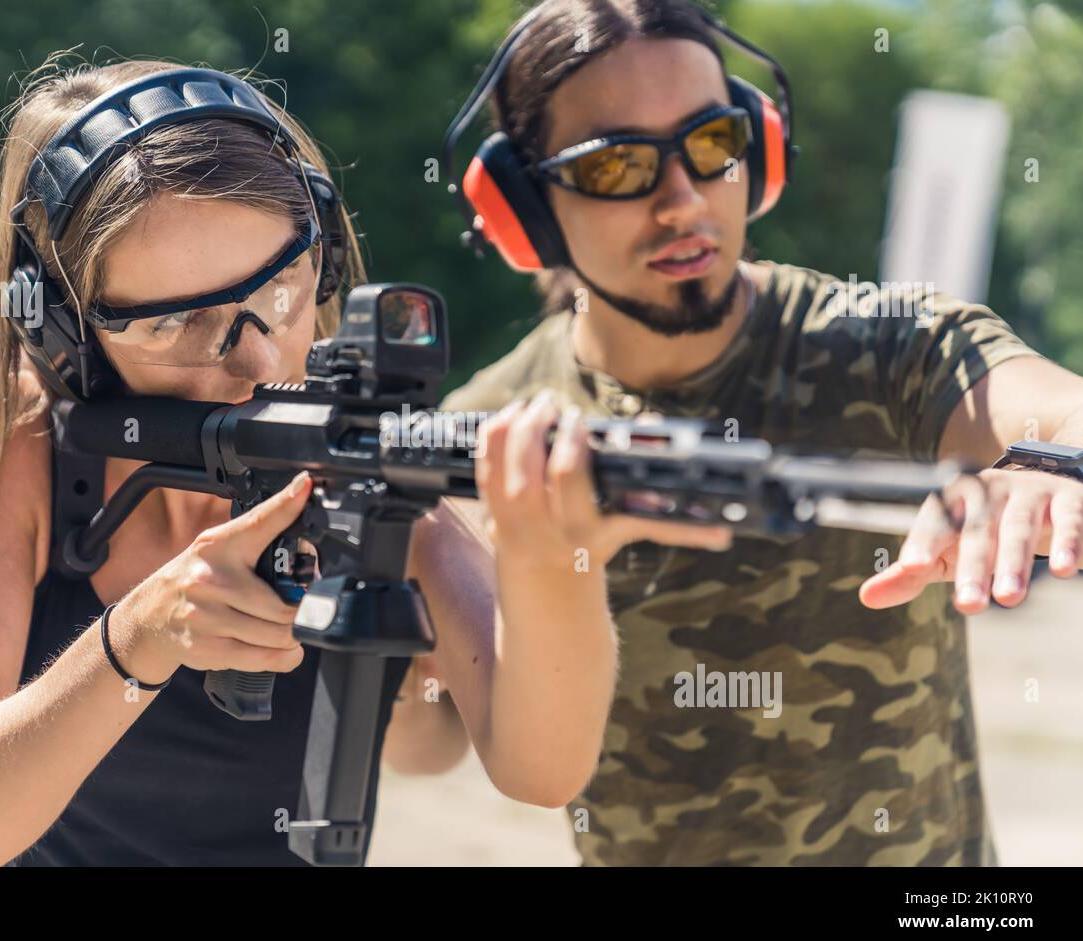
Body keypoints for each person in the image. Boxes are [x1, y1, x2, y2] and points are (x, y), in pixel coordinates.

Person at [0, 56, 713, 867]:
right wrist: (139, 640)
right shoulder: (20, 433)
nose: (259, 362)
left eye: (281, 290)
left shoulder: (357, 449)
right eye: (173, 325)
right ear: (70, 338)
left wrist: (555, 562)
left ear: (327, 260)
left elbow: (541, 771)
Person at [440, 0, 1083, 865]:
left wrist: (1047, 460)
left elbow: (1052, 407)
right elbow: (431, 743)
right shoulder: (478, 442)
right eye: (617, 165)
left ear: (760, 150)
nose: (682, 201)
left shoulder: (886, 343)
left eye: (712, 145)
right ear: (524, 207)